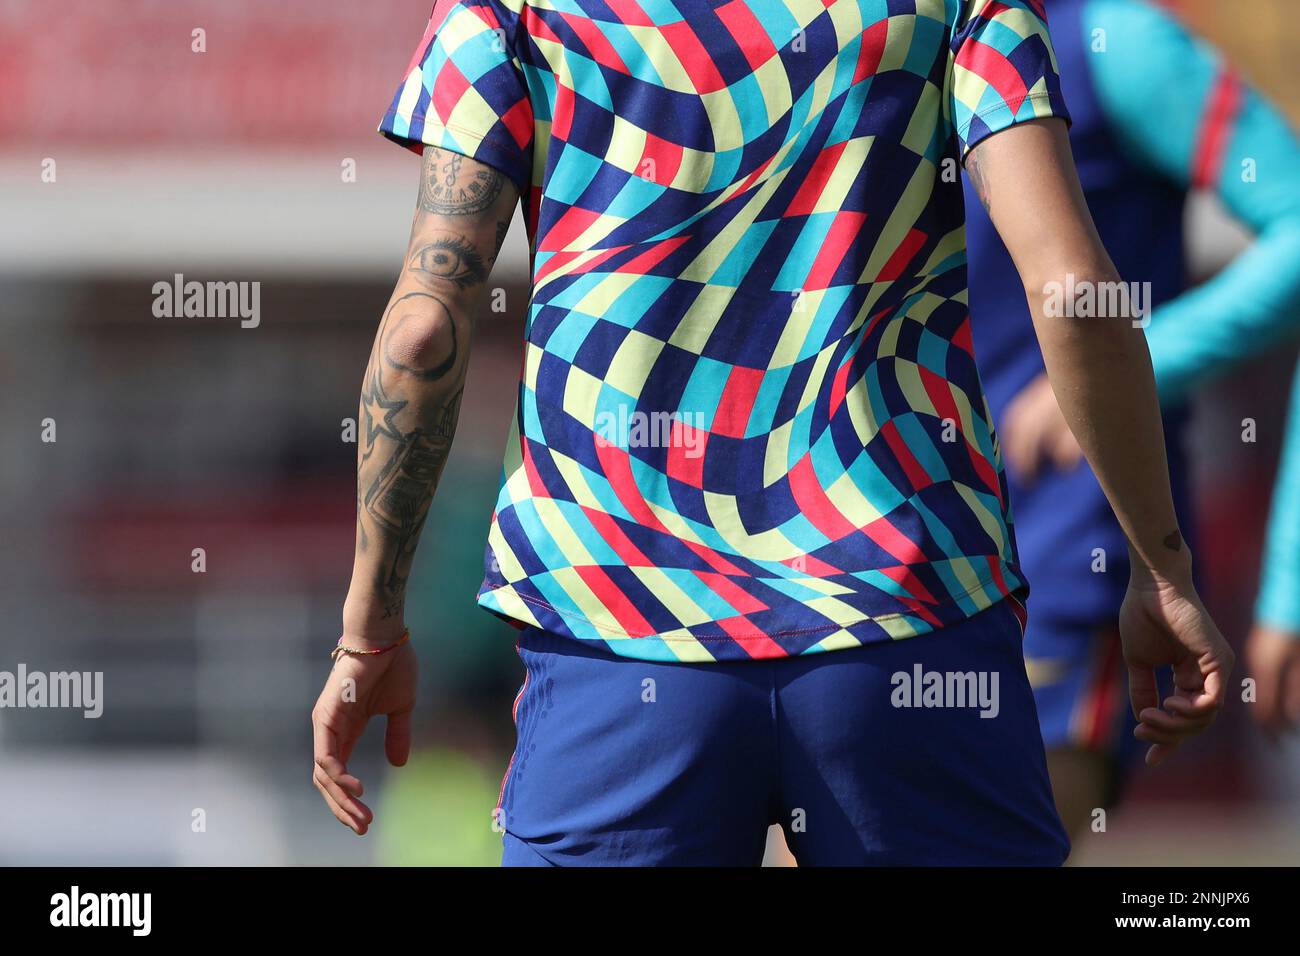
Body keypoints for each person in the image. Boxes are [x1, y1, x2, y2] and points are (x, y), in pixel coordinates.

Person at [311, 0, 1233, 865]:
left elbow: (423, 329)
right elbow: (1073, 292)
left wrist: (370, 629)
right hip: (905, 619)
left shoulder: (504, 12)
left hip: (618, 637)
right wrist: (1162, 571)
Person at [963, 0, 1300, 838]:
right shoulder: (866, 33)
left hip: (1067, 550)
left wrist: (1130, 365)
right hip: (880, 556)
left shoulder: (1111, 39)